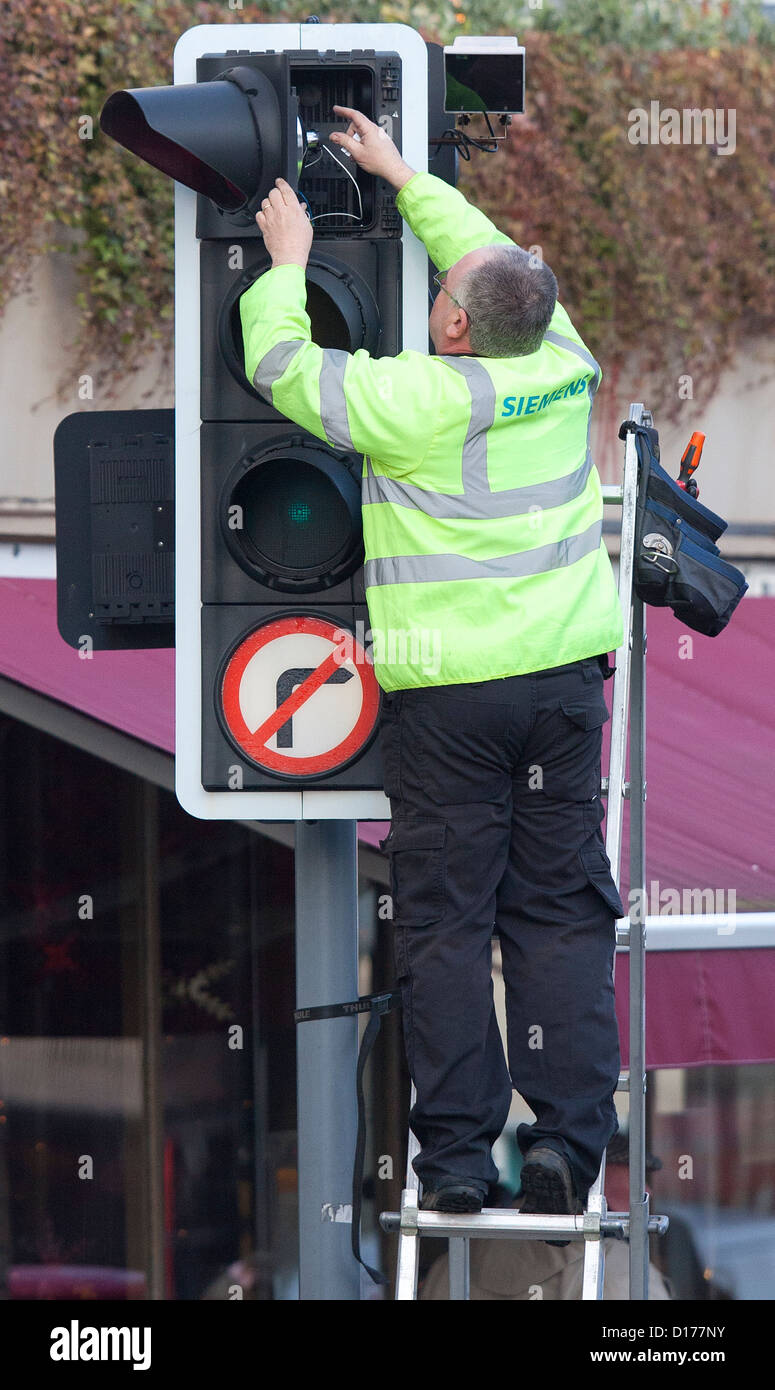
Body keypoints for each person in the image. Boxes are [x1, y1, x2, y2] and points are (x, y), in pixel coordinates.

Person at [239, 107, 625, 1222]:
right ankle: (562, 1148)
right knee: (556, 918)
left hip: (449, 700)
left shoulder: (408, 402)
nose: (441, 293)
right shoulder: (563, 362)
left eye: (446, 296)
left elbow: (278, 362)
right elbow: (491, 264)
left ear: (454, 328)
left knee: (446, 921)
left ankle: (455, 1162)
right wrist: (404, 175)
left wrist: (288, 264)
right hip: (558, 691)